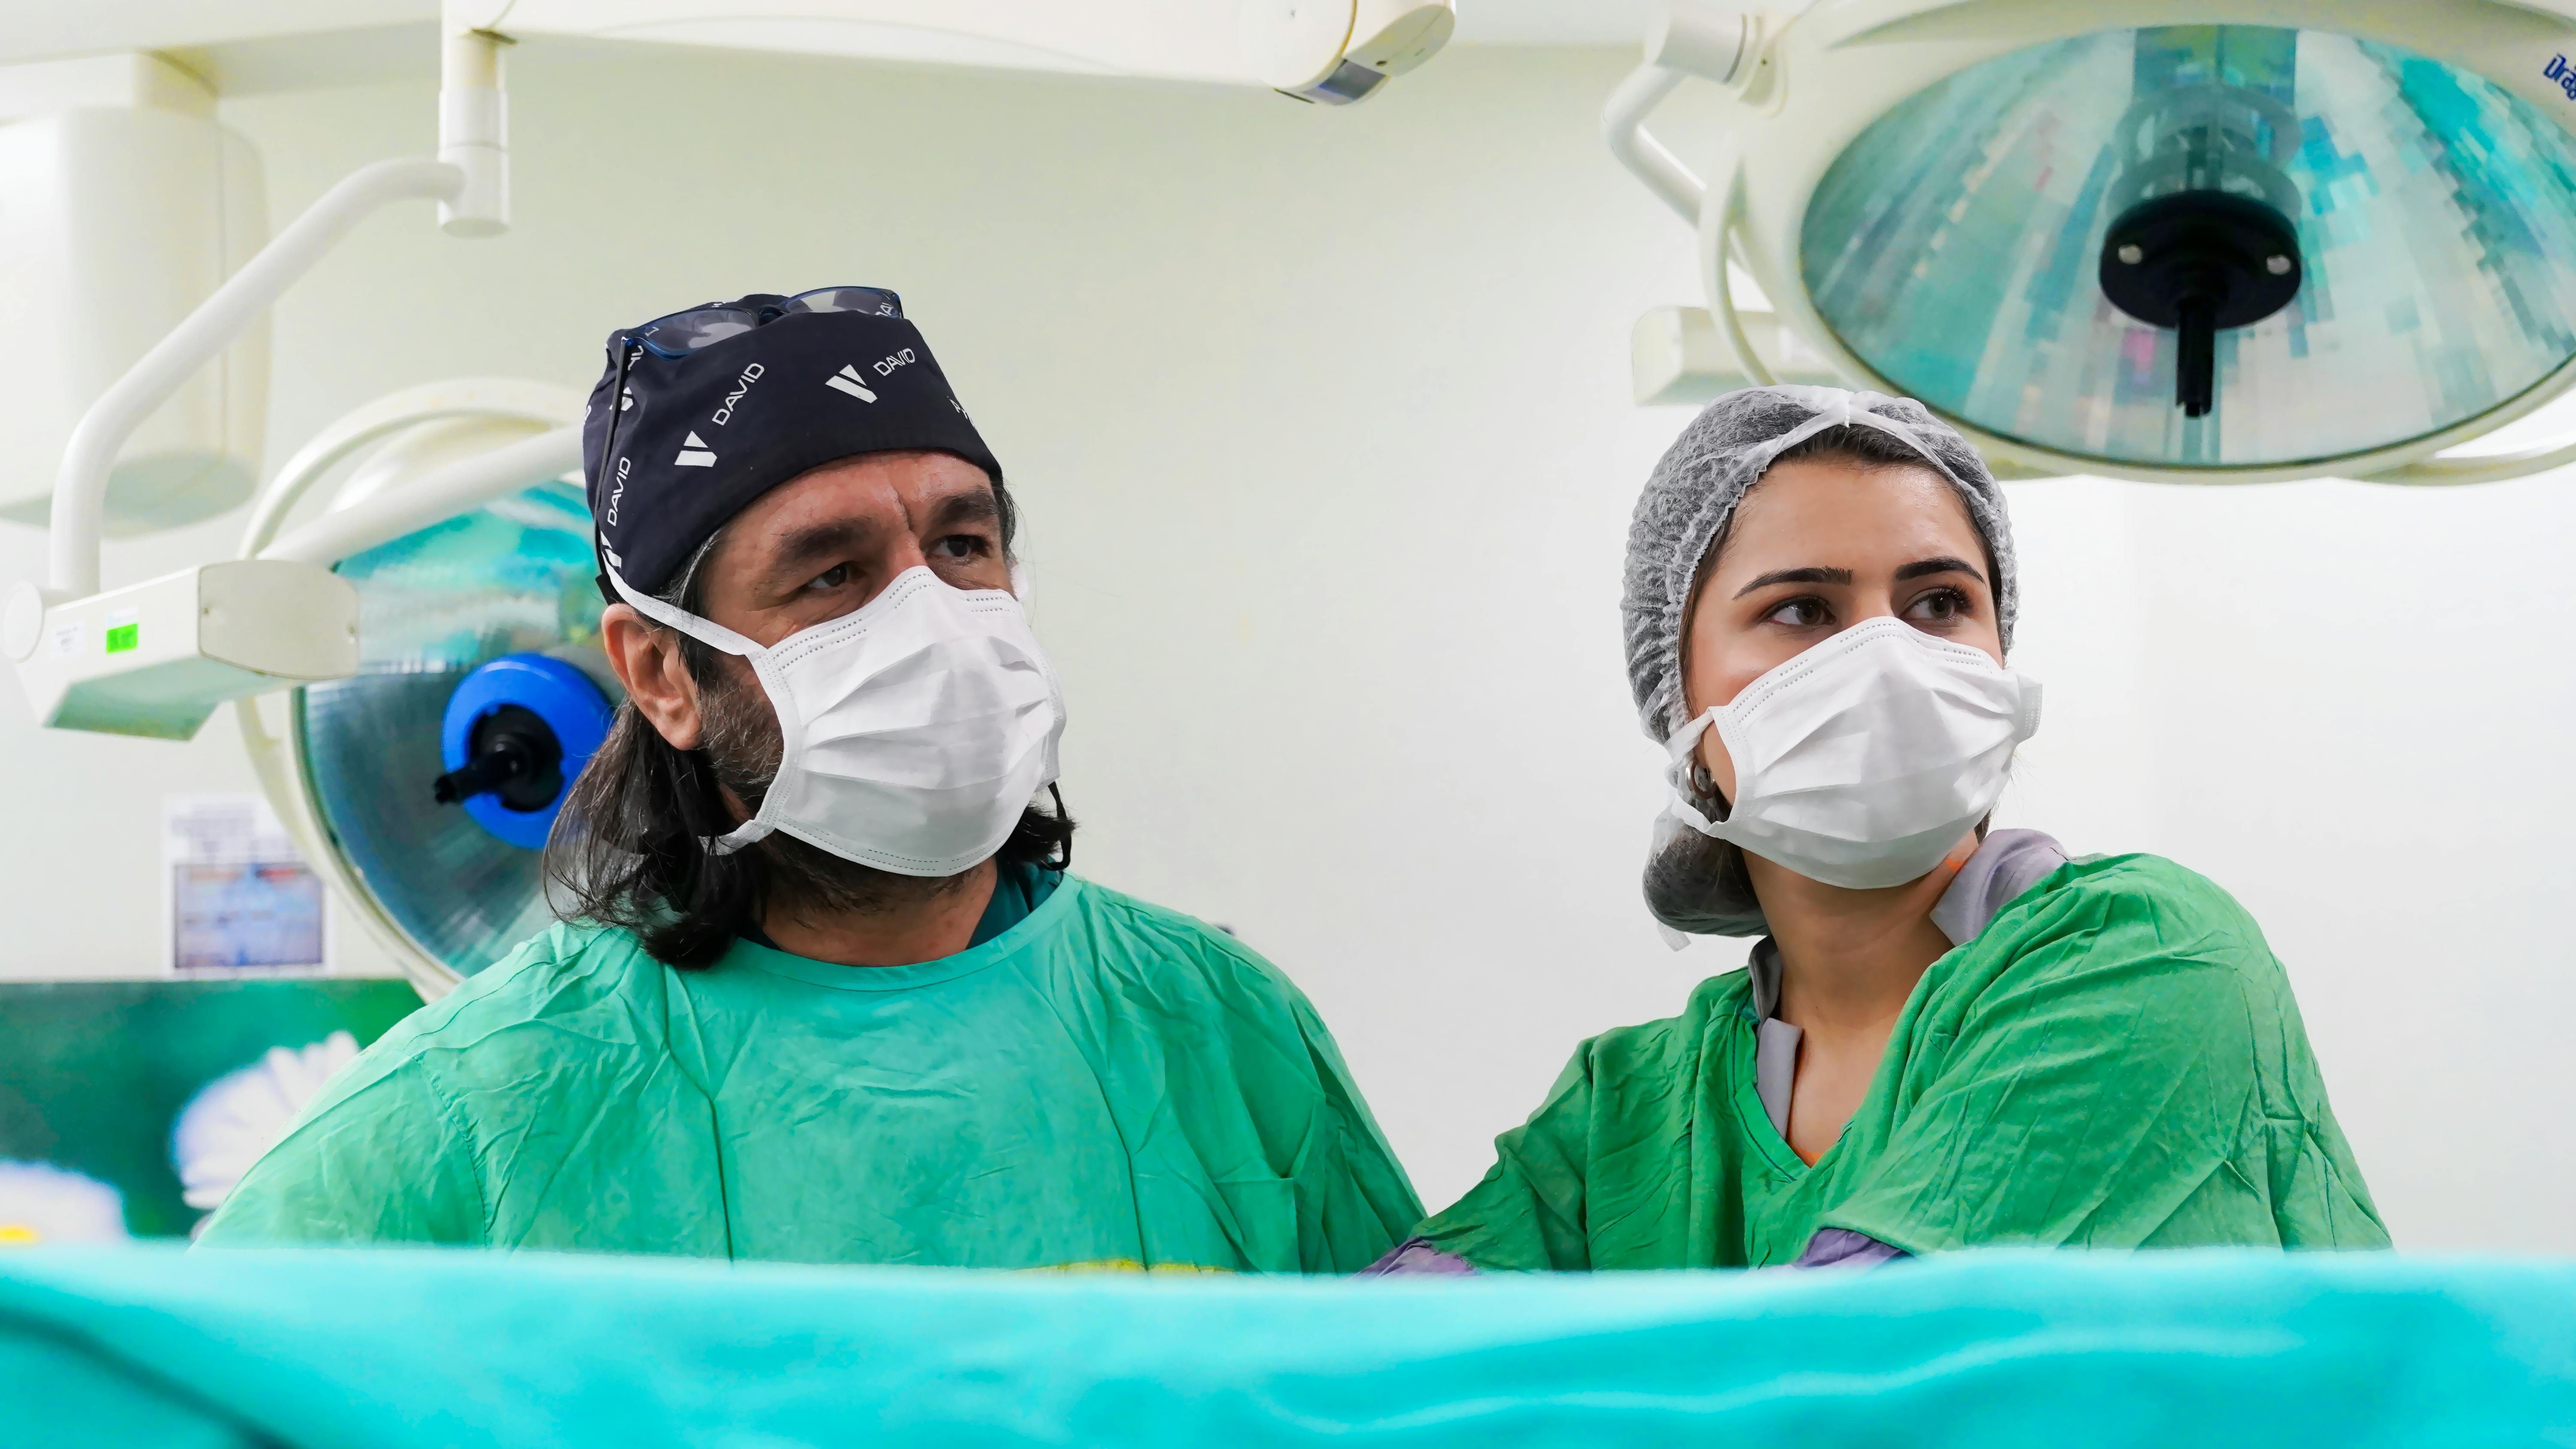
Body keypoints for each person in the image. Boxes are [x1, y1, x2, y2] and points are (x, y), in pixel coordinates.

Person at [203, 288, 1419, 1270]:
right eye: (832, 576)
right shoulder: (472, 1116)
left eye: (961, 544)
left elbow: (1402, 1403)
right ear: (665, 675)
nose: (936, 622)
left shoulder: (1218, 1029)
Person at [1374, 386, 2385, 1273]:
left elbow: (1863, 1363)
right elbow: (1373, 1367)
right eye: (1804, 610)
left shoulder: (2149, 956)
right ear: (1677, 702)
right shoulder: (1623, 1118)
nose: (1887, 659)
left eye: (1940, 601)